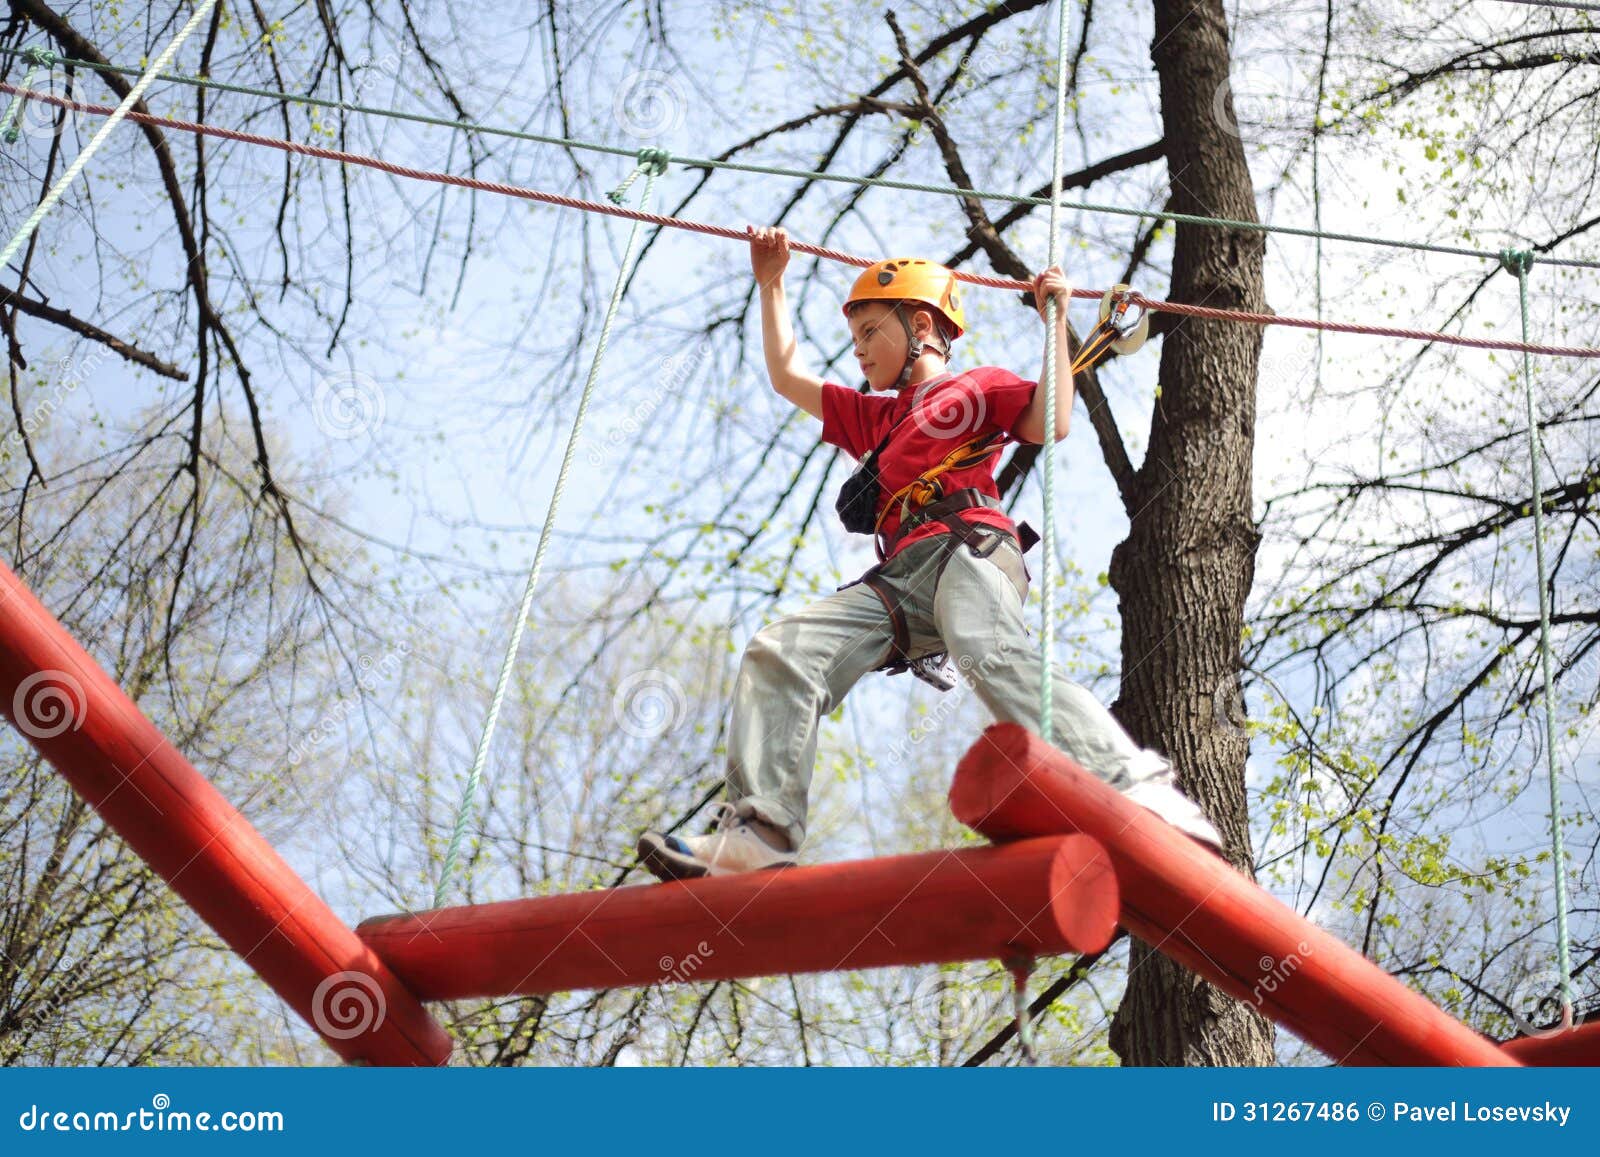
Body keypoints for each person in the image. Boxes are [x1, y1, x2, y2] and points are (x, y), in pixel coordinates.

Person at [636, 226, 1221, 881]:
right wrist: (772, 283)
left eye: (868, 334)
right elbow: (786, 376)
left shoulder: (975, 389)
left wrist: (1056, 320)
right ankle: (762, 828)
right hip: (900, 577)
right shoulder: (877, 422)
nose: (857, 352)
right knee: (784, 648)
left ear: (921, 324)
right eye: (854, 339)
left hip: (969, 545)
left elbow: (1050, 421)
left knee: (987, 646)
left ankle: (1135, 785)